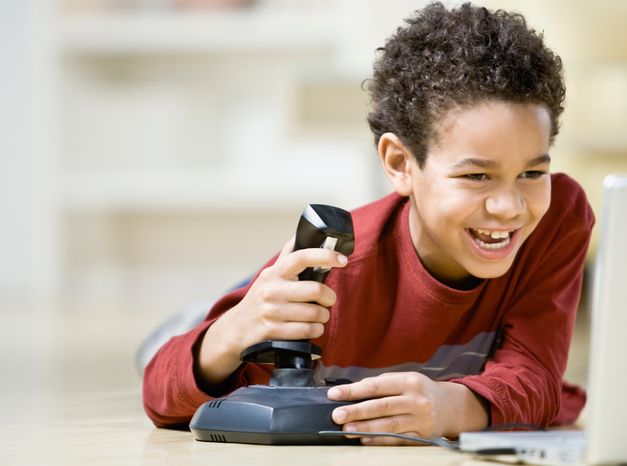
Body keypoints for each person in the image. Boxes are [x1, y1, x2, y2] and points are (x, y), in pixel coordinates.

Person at [142, 2, 594, 444]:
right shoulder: (335, 280)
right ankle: (207, 313)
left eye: (532, 173)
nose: (509, 207)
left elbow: (535, 375)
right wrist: (231, 331)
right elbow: (162, 396)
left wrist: (450, 407)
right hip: (228, 320)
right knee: (211, 327)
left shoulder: (556, 220)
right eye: (476, 176)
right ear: (400, 163)